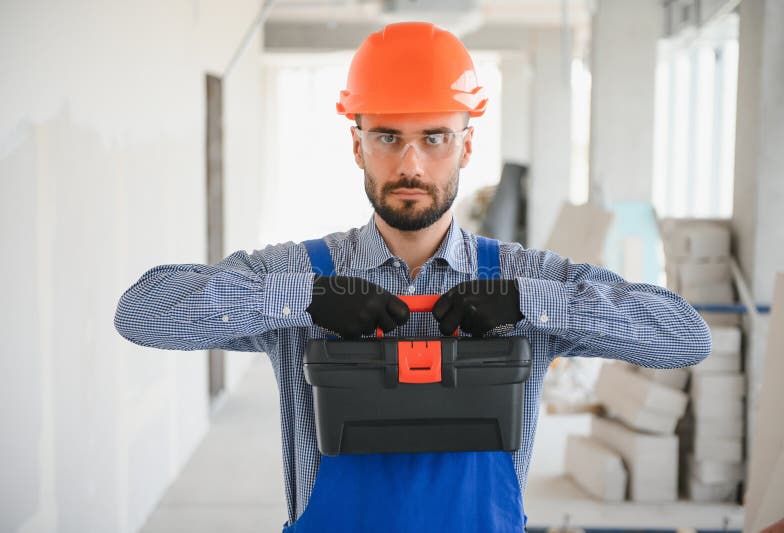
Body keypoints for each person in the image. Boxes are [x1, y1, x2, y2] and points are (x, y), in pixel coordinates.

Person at [114, 21, 711, 532]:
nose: (410, 164)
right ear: (358, 146)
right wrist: (307, 297)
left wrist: (529, 302)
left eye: (434, 138)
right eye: (387, 138)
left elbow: (685, 336)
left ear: (466, 146)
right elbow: (142, 313)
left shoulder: (523, 277)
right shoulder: (301, 274)